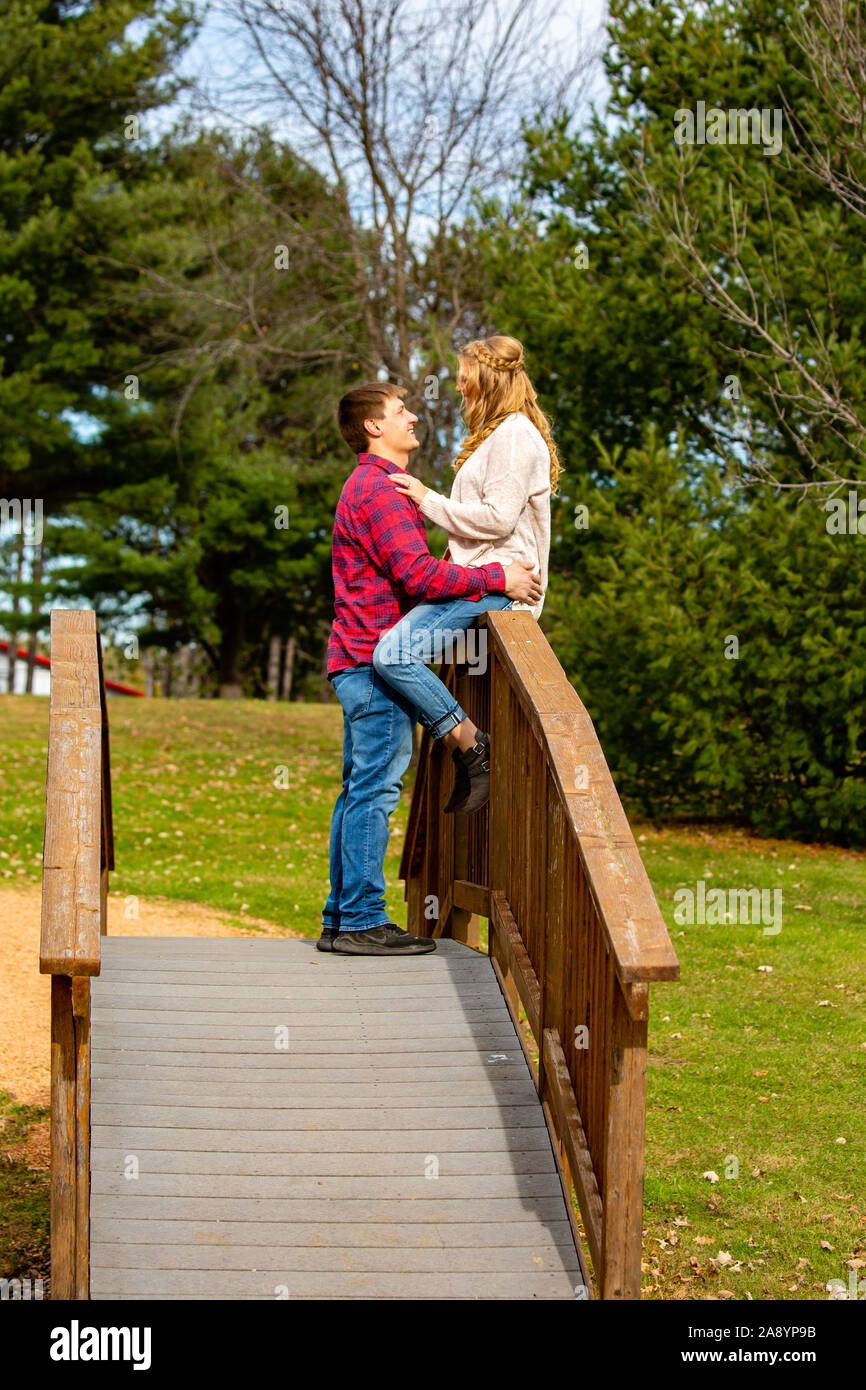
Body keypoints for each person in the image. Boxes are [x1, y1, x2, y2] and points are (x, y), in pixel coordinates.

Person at [318, 380, 542, 957]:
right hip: (373, 664)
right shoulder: (379, 491)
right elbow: (420, 578)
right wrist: (500, 579)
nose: (412, 417)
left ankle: (342, 918)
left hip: (357, 659)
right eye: (400, 411)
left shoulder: (374, 488)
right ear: (374, 427)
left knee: (357, 790)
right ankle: (363, 920)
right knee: (373, 790)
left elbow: (412, 576)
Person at [372, 335, 560, 813]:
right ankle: (467, 747)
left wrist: (425, 497)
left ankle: (473, 745)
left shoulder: (516, 436)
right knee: (396, 660)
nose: (457, 386)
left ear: (487, 381)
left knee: (393, 656)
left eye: (464, 378)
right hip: (479, 580)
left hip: (500, 583)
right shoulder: (500, 435)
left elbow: (497, 518)